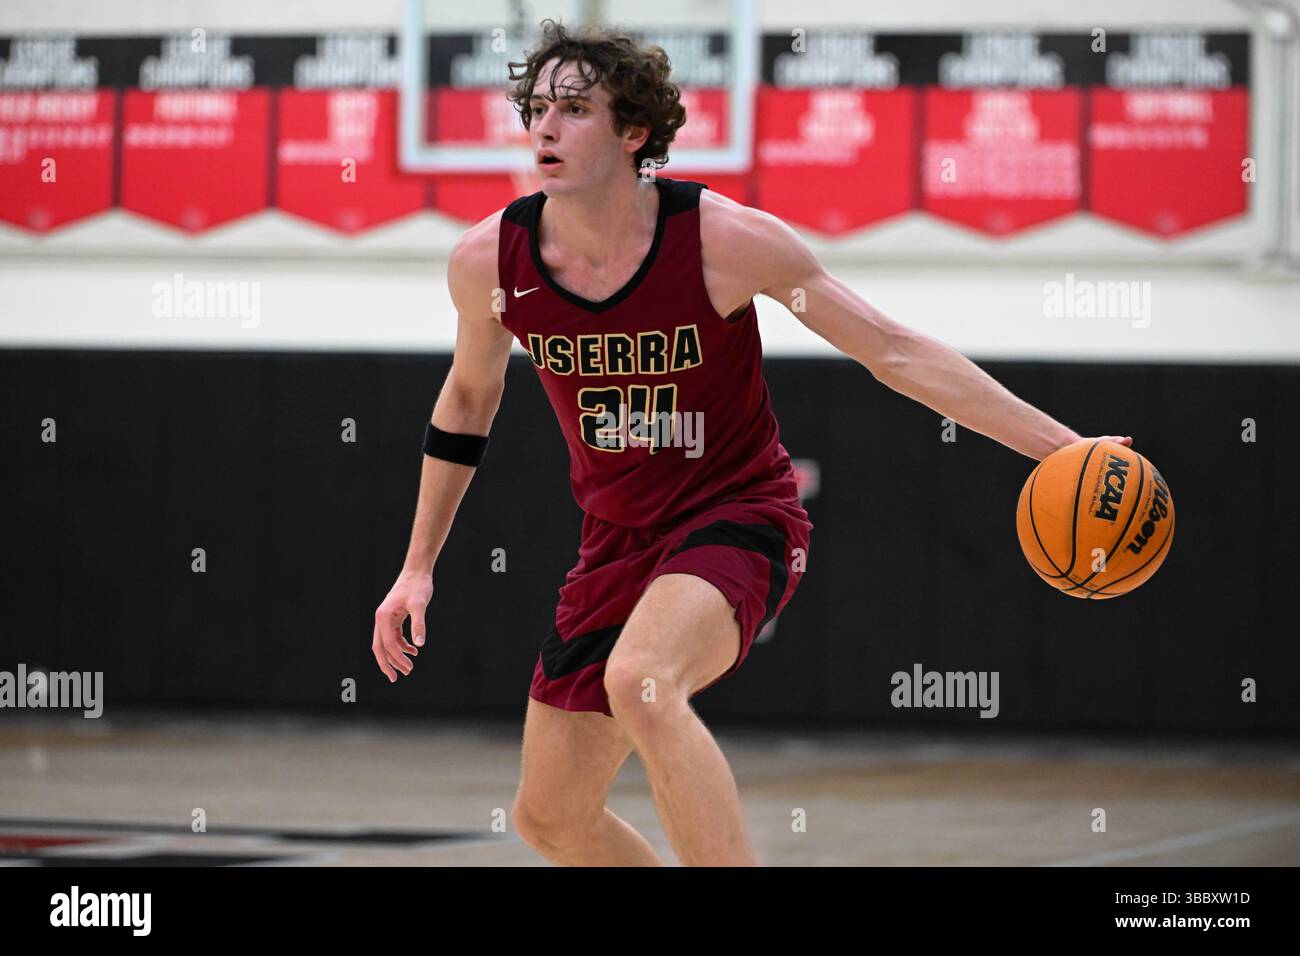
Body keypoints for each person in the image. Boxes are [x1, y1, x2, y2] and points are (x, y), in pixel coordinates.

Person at [371, 19, 1132, 866]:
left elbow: (893, 349)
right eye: (538, 107)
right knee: (550, 817)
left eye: (575, 109)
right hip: (614, 542)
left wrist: (1064, 447)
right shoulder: (491, 264)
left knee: (642, 683)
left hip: (738, 517)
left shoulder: (725, 243)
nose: (545, 126)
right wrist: (417, 566)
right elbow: (469, 399)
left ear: (633, 132)